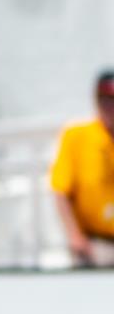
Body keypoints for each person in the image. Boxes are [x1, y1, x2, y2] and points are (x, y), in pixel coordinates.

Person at [50, 69, 114, 268]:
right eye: (104, 99)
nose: (109, 106)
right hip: (94, 243)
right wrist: (74, 235)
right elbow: (60, 190)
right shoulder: (77, 136)